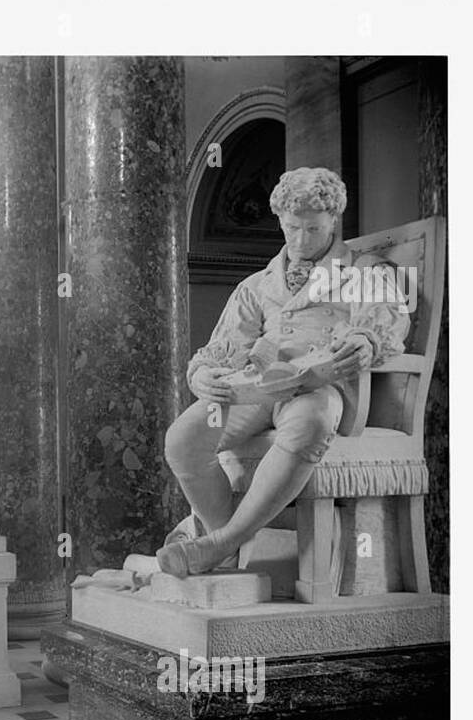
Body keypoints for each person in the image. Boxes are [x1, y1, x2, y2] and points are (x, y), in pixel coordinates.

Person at [157, 167, 410, 578]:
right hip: (257, 390)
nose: (301, 240)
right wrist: (202, 373)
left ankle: (219, 545)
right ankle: (227, 548)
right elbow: (224, 348)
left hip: (319, 386)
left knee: (310, 422)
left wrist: (366, 342)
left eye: (313, 229)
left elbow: (384, 323)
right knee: (183, 439)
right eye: (292, 228)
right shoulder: (257, 285)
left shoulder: (364, 271)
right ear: (280, 221)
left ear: (333, 221)